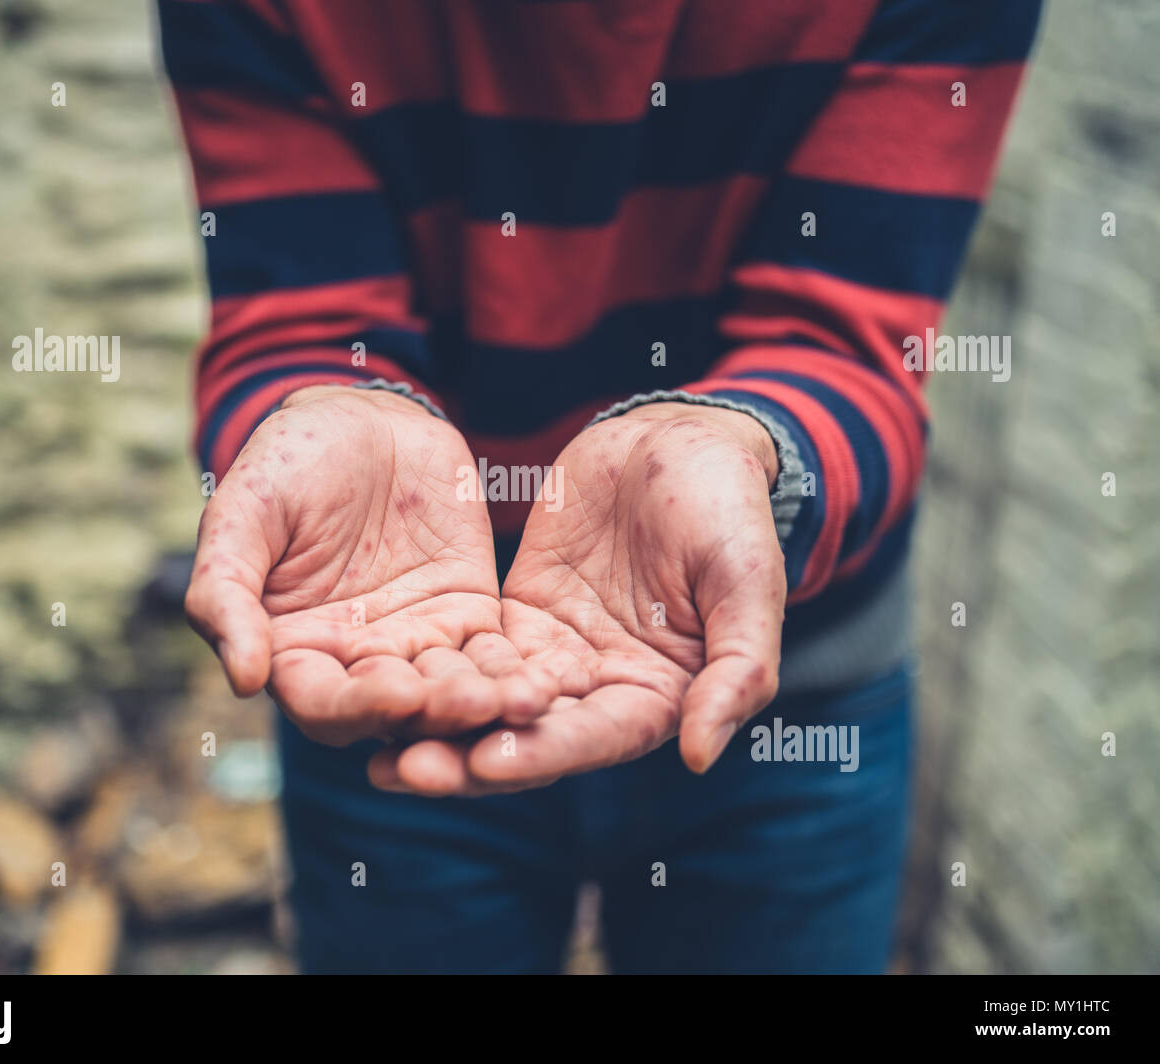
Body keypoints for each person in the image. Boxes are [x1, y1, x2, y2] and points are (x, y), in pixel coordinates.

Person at [158, 0, 1040, 973]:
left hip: (790, 651)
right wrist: (313, 413)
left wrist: (741, 453)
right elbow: (296, 308)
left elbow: (848, 332)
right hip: (390, 645)